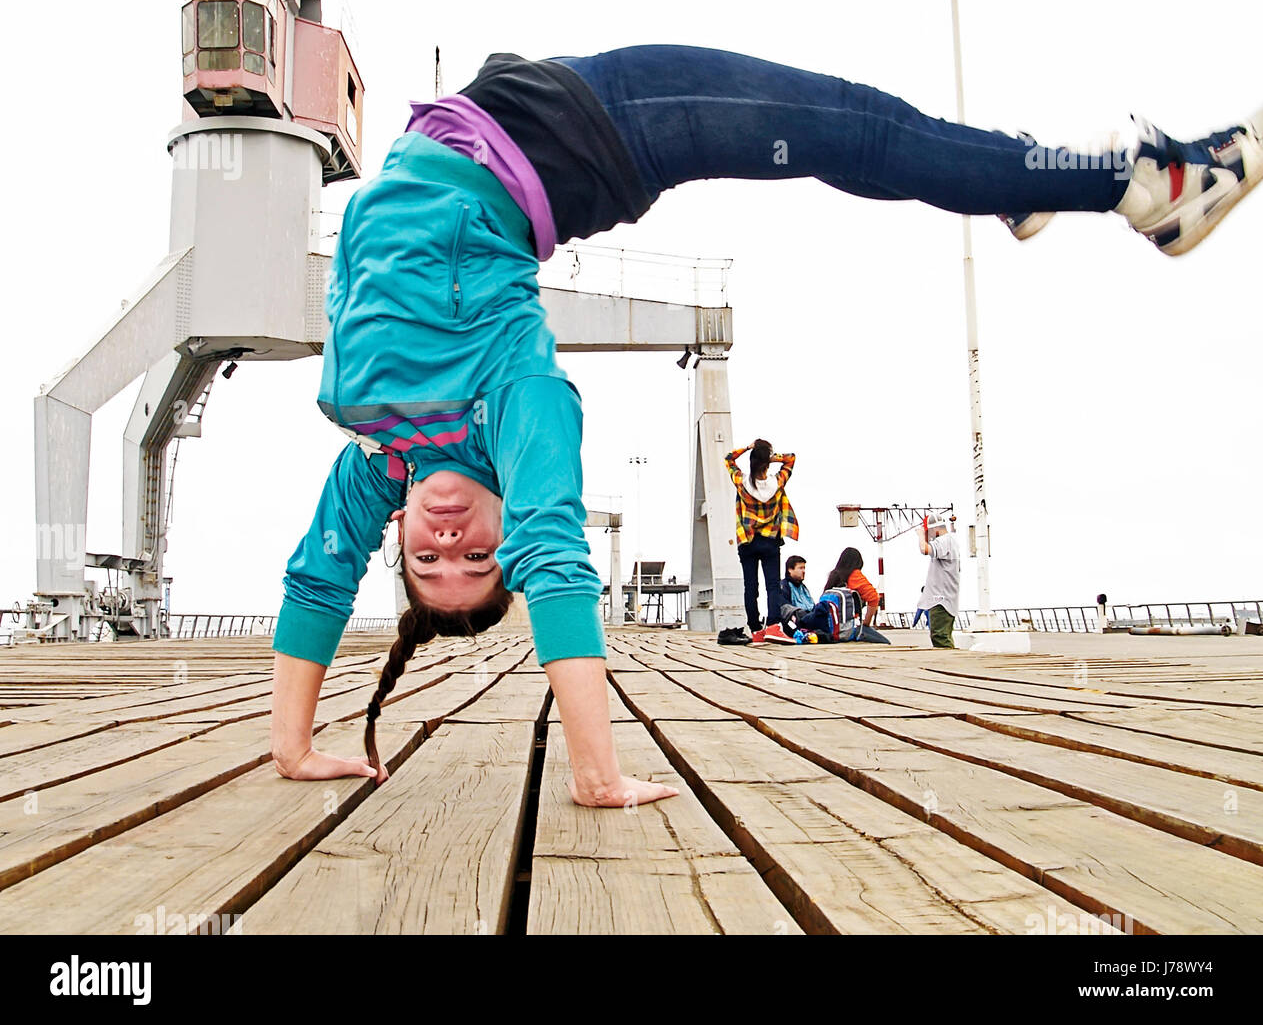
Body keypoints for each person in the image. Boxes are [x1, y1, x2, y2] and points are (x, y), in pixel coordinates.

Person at [269, 44, 1263, 805]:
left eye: (426, 565)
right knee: (849, 127)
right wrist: (596, 772)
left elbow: (317, 574)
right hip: (581, 132)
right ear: (503, 545)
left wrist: (294, 745)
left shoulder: (377, 456)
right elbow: (557, 558)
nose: (449, 548)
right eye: (476, 564)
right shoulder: (518, 408)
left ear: (397, 537)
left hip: (503, 121)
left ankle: (1005, 178)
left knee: (855, 132)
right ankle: (1146, 187)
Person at [725, 439, 798, 643]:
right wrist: (774, 459)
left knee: (751, 587)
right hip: (770, 541)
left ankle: (756, 630)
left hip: (747, 541)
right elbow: (791, 459)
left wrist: (747, 448)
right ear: (767, 462)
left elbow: (728, 459)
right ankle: (774, 627)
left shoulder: (742, 482)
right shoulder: (777, 482)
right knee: (772, 586)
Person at [785, 548, 890, 644]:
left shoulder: (834, 575)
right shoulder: (854, 575)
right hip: (845, 629)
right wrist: (866, 623)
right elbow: (873, 598)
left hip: (827, 627)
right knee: (885, 642)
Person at [917, 512, 960, 649]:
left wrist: (920, 536)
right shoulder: (950, 541)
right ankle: (950, 660)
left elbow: (924, 549)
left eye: (928, 533)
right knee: (943, 635)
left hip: (941, 600)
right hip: (944, 598)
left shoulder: (944, 541)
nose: (928, 537)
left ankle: (950, 662)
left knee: (939, 636)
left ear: (934, 529)